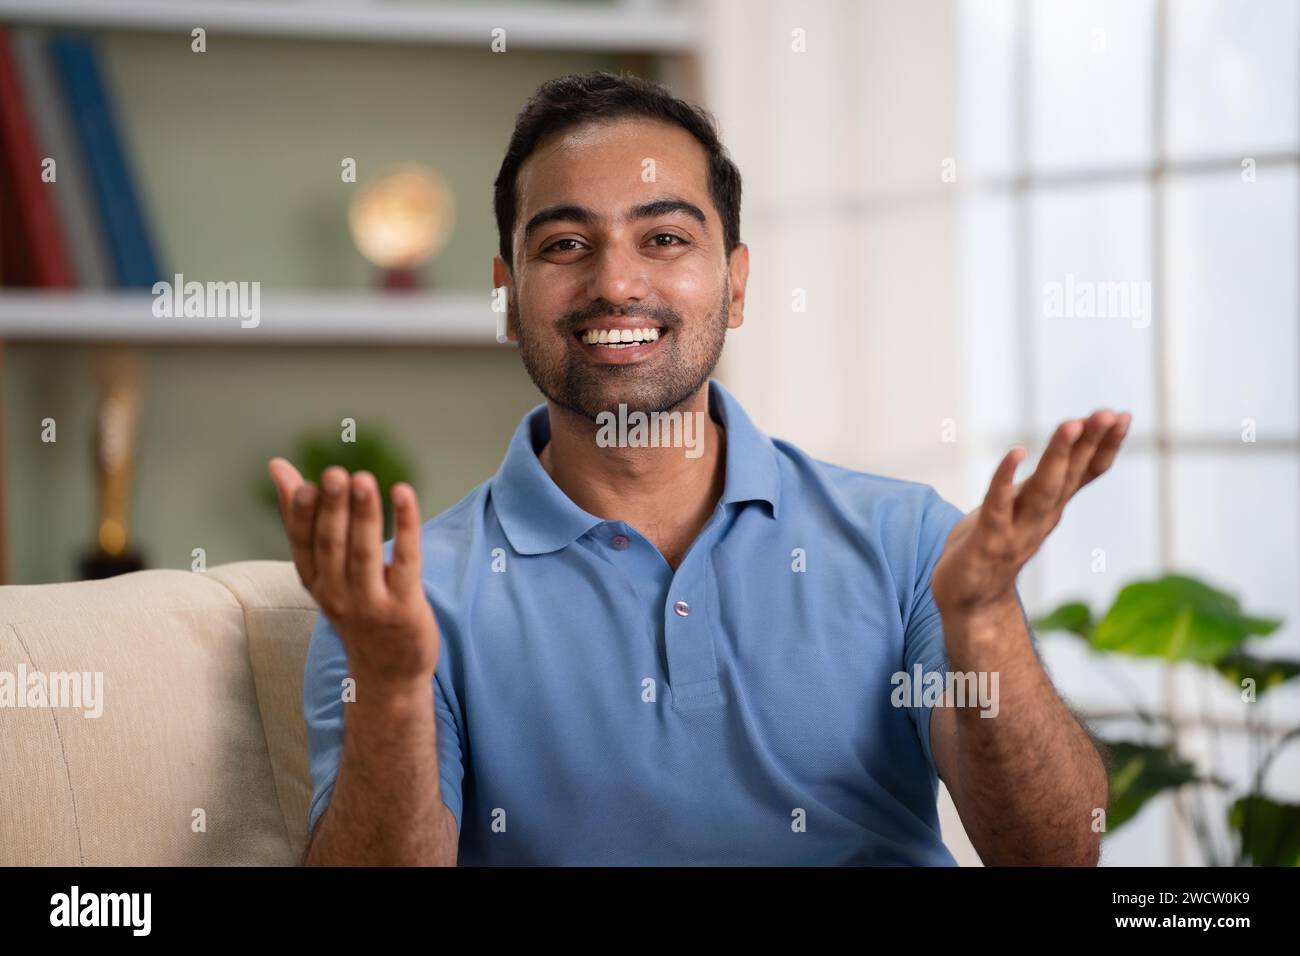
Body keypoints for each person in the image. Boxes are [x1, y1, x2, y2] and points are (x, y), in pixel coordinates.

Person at [268, 72, 1130, 866]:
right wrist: (389, 690)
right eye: (566, 244)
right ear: (507, 295)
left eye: (665, 237)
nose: (616, 283)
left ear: (737, 284)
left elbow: (1057, 855)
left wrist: (981, 623)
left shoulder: (913, 545)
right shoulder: (398, 603)